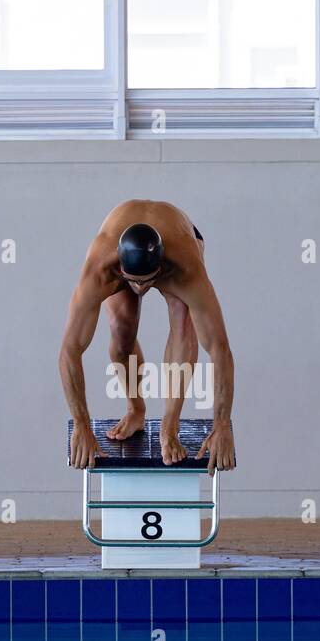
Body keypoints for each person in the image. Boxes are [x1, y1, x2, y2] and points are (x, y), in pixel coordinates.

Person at [60, 200, 236, 474]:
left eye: (148, 281)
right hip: (118, 248)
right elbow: (70, 351)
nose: (141, 289)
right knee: (121, 333)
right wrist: (81, 423)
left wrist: (222, 424)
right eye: (134, 282)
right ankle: (135, 410)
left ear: (161, 267)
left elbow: (219, 348)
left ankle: (170, 426)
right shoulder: (100, 269)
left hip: (180, 239)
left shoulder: (185, 267)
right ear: (120, 269)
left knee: (183, 321)